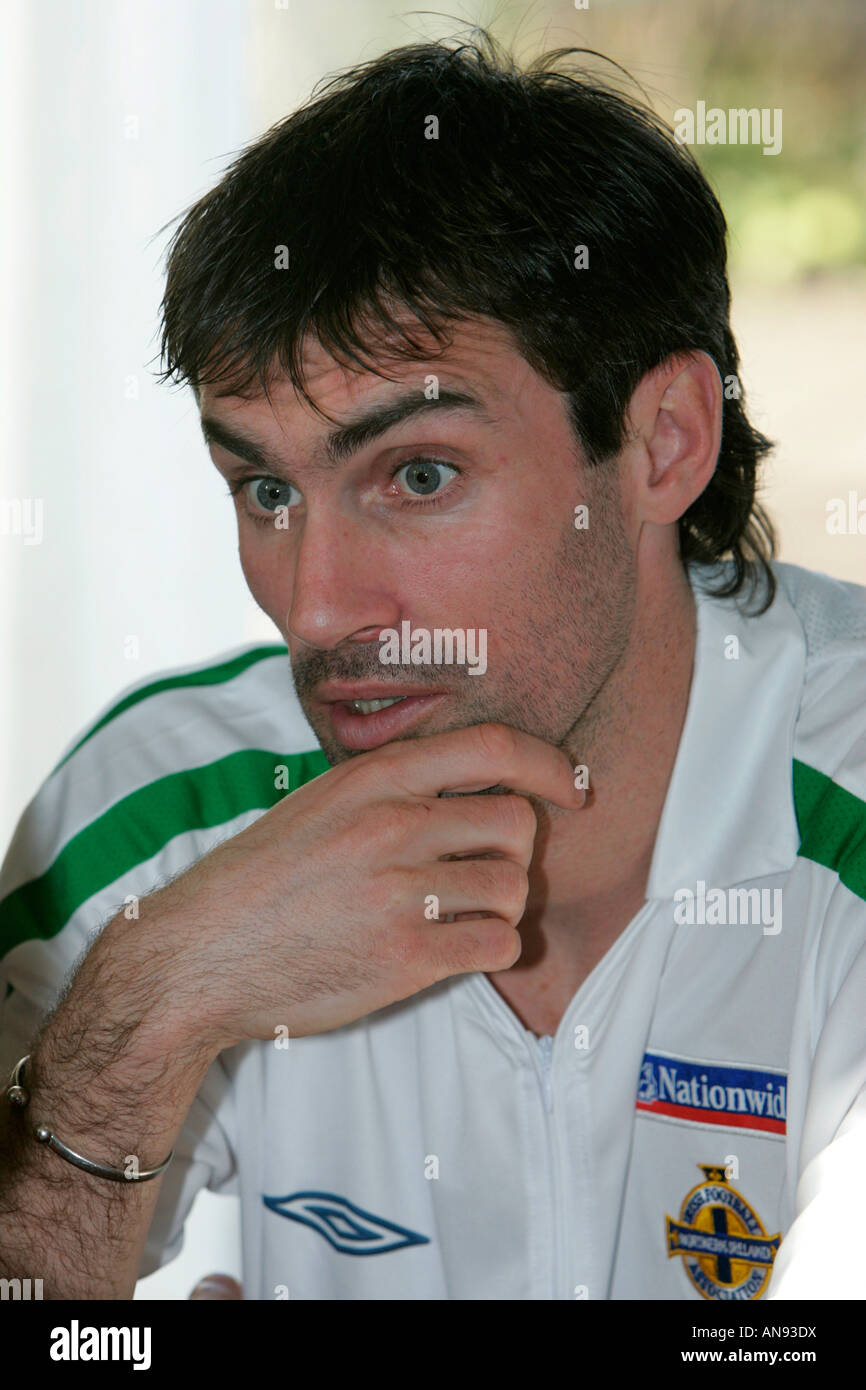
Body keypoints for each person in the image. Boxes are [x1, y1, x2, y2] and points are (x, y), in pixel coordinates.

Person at [1, 31, 864, 1302]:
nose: (317, 603)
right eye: (263, 488)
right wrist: (154, 1004)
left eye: (417, 475)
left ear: (662, 442)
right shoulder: (154, 830)